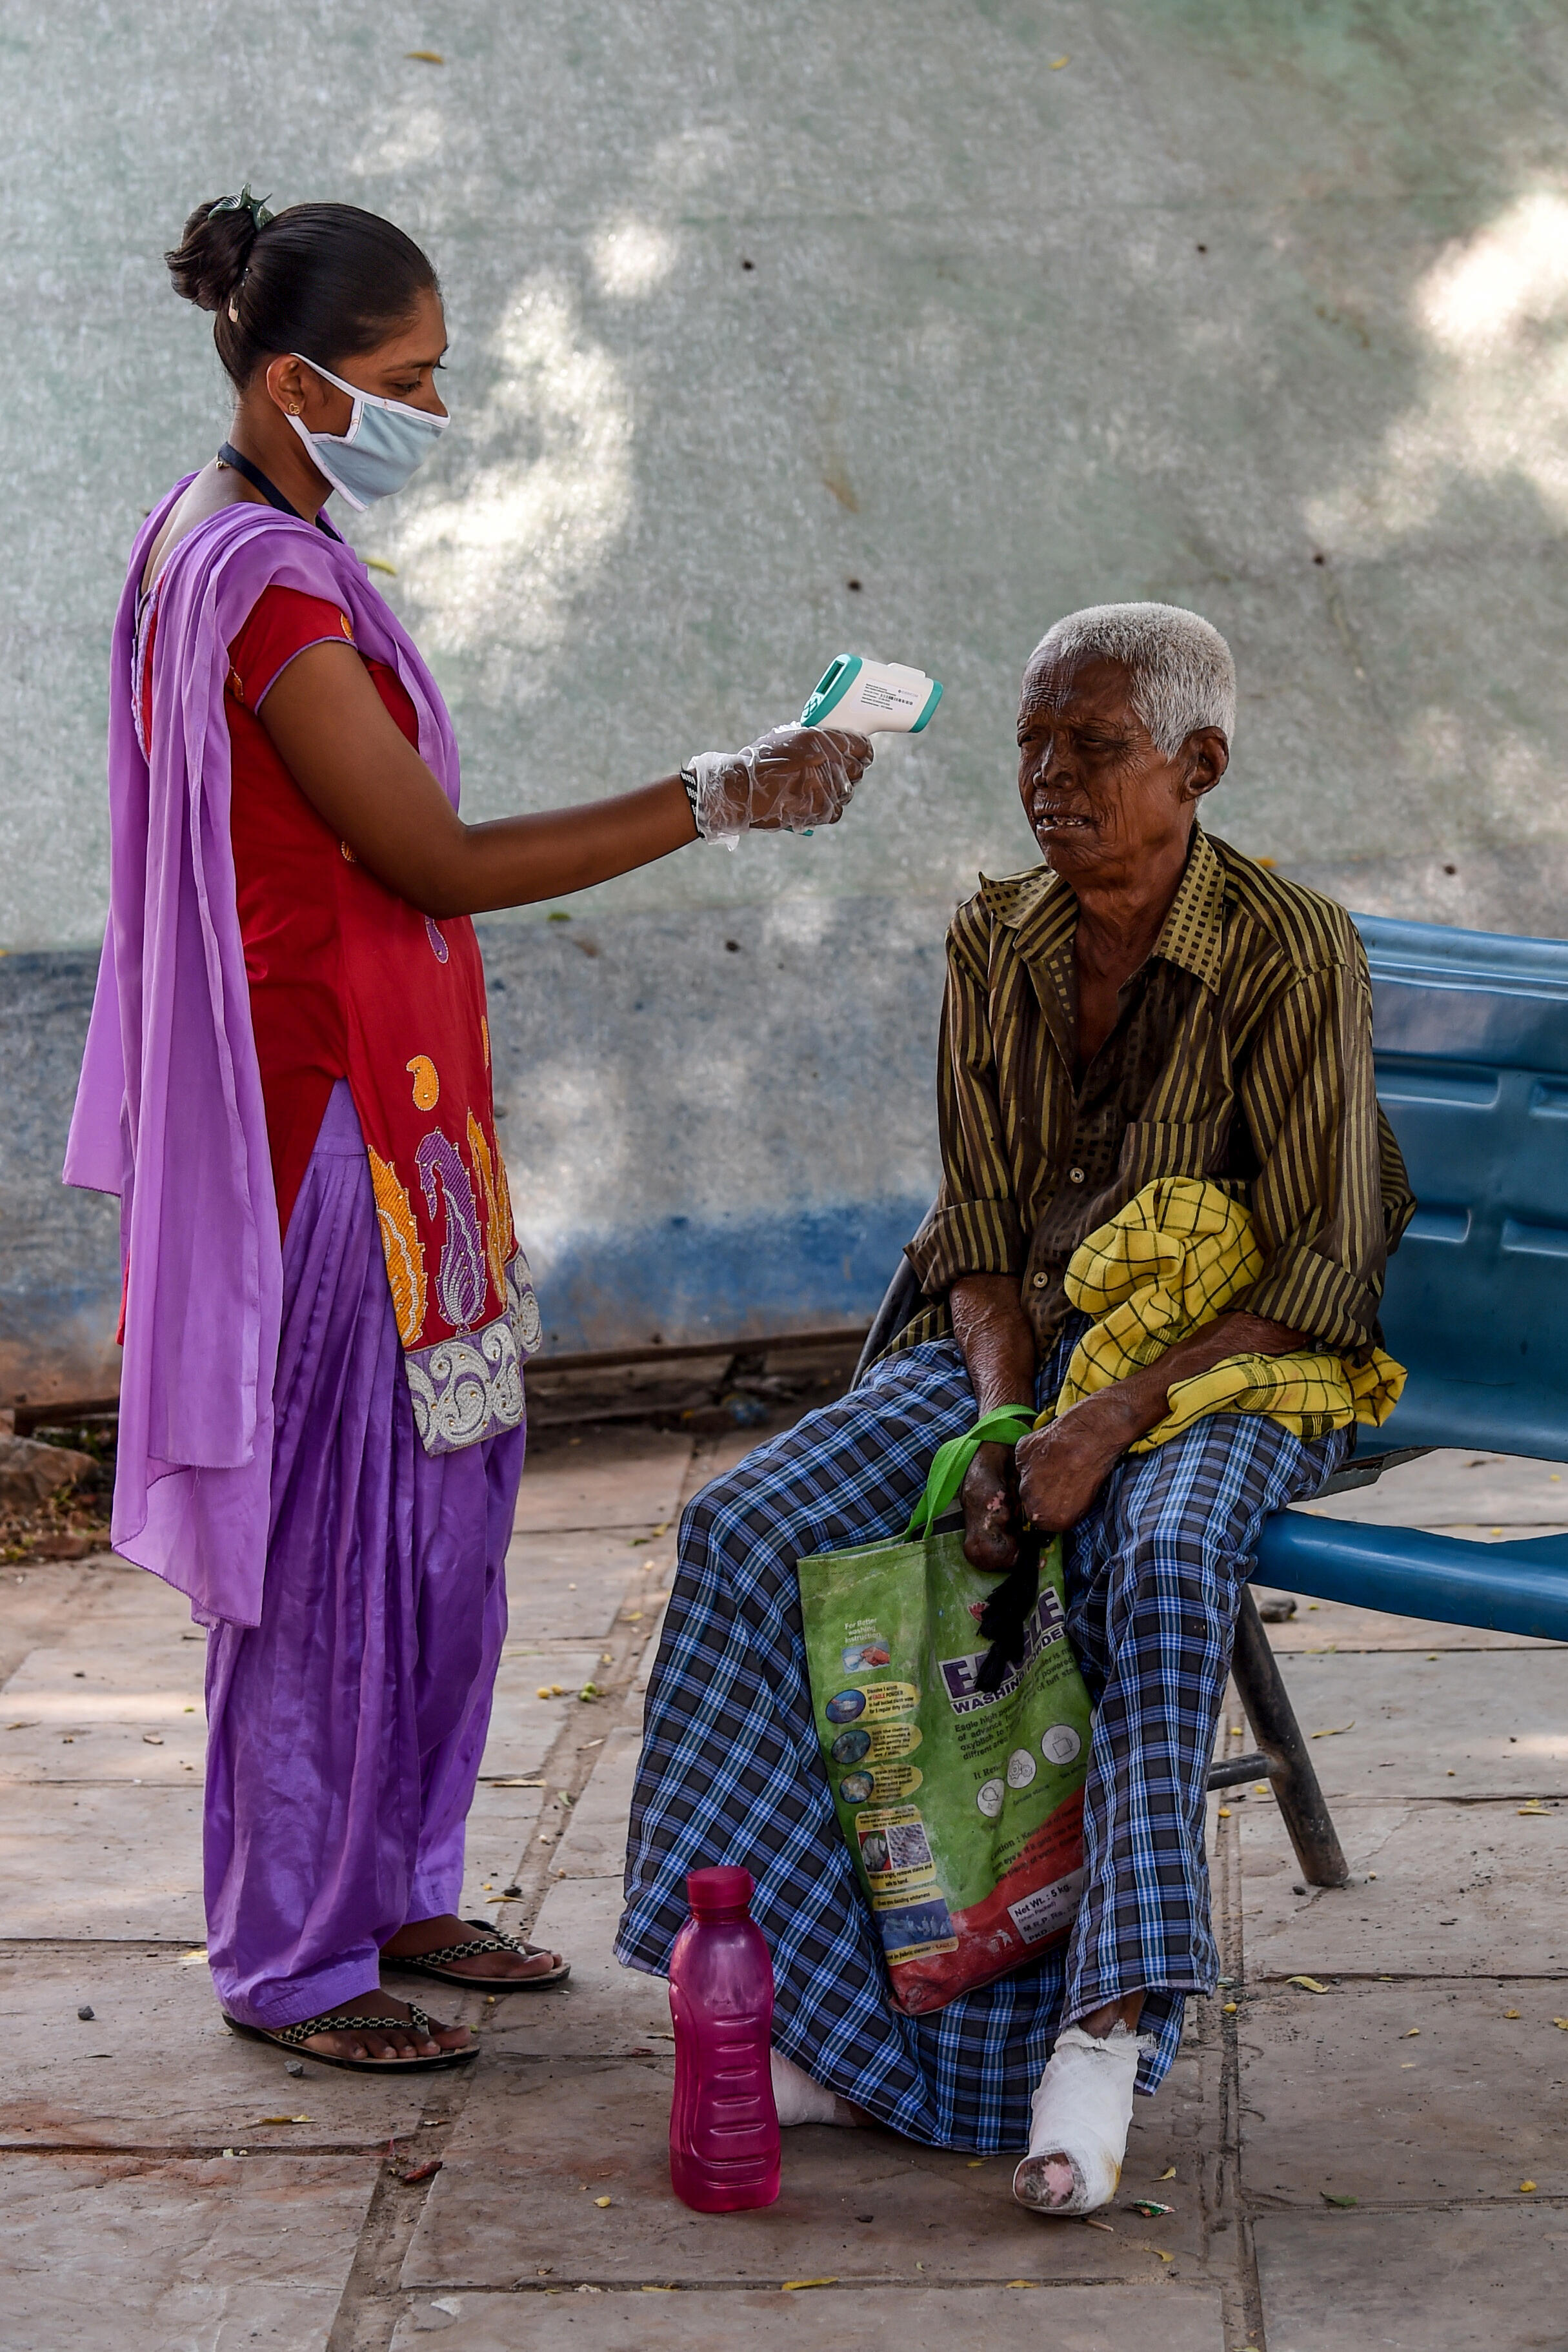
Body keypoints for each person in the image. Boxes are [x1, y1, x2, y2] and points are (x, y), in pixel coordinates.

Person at [64, 188, 870, 2073]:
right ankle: (290, 1951)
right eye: (407, 382)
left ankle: (398, 1884)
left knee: (438, 1518)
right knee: (336, 1540)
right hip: (328, 1116)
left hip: (406, 1109)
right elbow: (420, 855)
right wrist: (713, 795)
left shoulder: (278, 537)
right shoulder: (253, 577)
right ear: (292, 380)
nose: (440, 409)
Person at [618, 602, 1414, 2202]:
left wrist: (1102, 1421)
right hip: (1014, 1355)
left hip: (1234, 1359)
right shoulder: (999, 935)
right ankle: (825, 2013)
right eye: (1032, 745)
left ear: (1198, 766)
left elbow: (1327, 1267)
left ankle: (1106, 2026)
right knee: (746, 1523)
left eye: (1094, 748)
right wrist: (1005, 1423)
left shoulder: (1288, 946)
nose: (1049, 778)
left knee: (1163, 1560)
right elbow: (977, 1232)